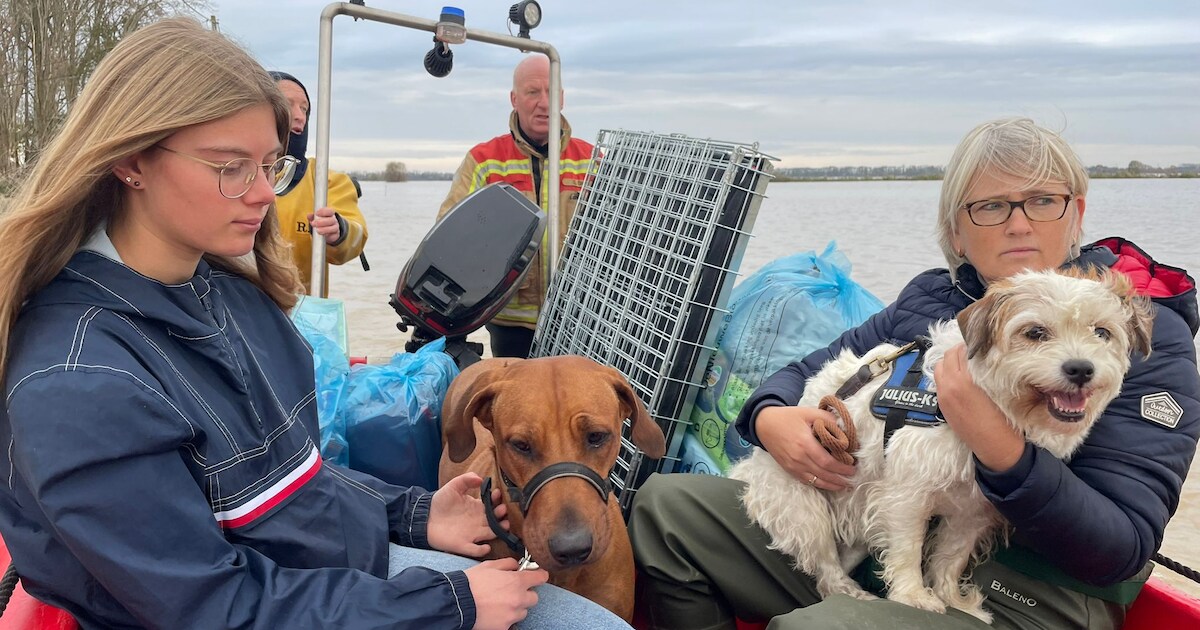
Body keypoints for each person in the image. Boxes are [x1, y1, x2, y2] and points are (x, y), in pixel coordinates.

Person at [0, 19, 630, 630]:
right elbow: (209, 607)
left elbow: (290, 478)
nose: (265, 194)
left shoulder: (227, 294)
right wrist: (448, 606)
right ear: (130, 161)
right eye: (229, 166)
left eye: (270, 164)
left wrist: (414, 516)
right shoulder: (78, 379)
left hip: (306, 574)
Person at [628, 118, 1199, 630]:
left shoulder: (1139, 334)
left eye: (1042, 200)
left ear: (1076, 213)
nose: (1018, 224)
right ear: (957, 233)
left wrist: (997, 446)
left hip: (1031, 587)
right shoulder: (934, 300)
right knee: (664, 509)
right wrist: (771, 417)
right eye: (991, 207)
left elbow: (1120, 549)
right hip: (883, 530)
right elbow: (807, 368)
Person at [437, 55, 595, 358]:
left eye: (551, 92)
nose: (544, 103)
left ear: (562, 98)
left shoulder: (593, 161)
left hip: (580, 322)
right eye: (532, 92)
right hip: (509, 327)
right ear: (514, 99)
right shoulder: (484, 160)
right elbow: (449, 236)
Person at [270, 70, 368, 297]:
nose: (299, 116)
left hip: (302, 313)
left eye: (304, 109)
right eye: (288, 105)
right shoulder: (230, 172)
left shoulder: (327, 180)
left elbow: (357, 237)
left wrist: (339, 230)